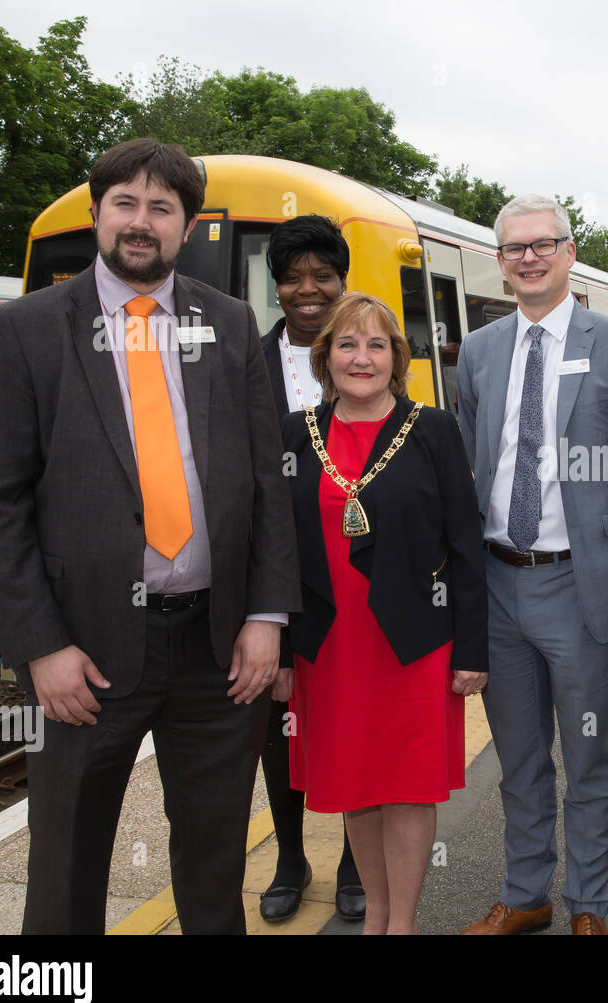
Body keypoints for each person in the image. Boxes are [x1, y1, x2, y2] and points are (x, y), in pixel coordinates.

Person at [0, 138, 300, 934]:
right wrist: (40, 645)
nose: (141, 222)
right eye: (125, 203)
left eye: (161, 208)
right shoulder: (27, 329)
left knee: (216, 856)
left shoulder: (226, 323)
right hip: (84, 651)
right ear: (97, 215)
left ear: (186, 227)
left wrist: (267, 618)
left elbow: (267, 484)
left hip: (216, 650)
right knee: (66, 865)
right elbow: (0, 501)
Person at [455, 194, 608, 935]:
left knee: (587, 753)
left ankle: (589, 905)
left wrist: (598, 531)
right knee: (518, 756)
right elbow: (473, 459)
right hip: (497, 582)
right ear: (501, 260)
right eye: (516, 247)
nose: (531, 258)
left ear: (570, 252)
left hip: (578, 584)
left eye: (545, 244)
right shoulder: (478, 351)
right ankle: (526, 895)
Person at [273, 291, 487, 935]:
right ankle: (376, 918)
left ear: (396, 358)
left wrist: (473, 650)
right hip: (328, 643)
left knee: (408, 785)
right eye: (346, 344)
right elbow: (274, 549)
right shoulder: (294, 433)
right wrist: (280, 653)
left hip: (414, 642)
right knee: (356, 784)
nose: (360, 358)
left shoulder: (433, 430)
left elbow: (466, 544)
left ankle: (403, 924)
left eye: (376, 345)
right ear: (325, 356)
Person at [258, 215, 364, 924]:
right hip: (269, 573)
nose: (307, 289)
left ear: (341, 280)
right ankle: (291, 855)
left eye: (321, 274)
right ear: (276, 286)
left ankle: (358, 859)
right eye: (292, 276)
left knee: (355, 714)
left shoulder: (364, 354)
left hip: (353, 572)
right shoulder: (245, 358)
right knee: (278, 720)